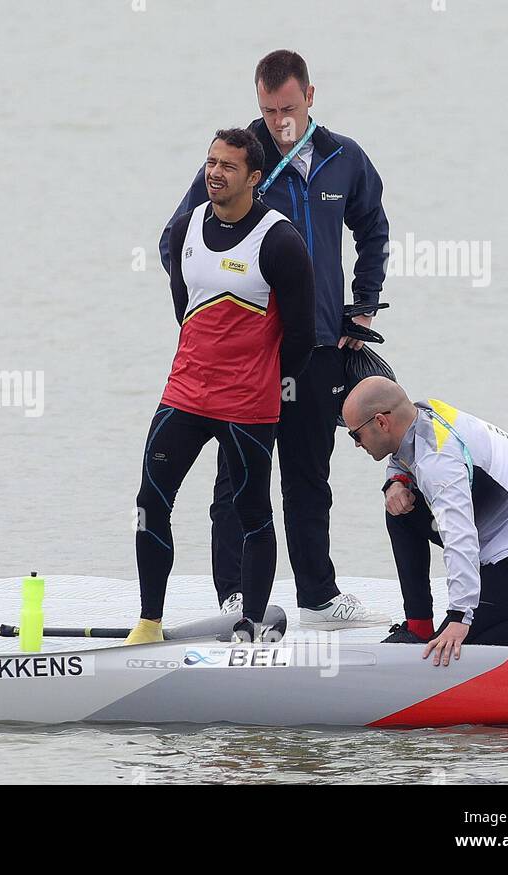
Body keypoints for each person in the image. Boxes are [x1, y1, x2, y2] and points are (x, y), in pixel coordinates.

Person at [159, 50, 390, 630]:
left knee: (310, 475)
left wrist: (361, 310)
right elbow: (177, 239)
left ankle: (318, 594)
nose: (279, 122)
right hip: (251, 358)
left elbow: (374, 229)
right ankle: (235, 595)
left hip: (318, 347)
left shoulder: (344, 159)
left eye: (288, 108)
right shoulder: (243, 163)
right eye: (267, 109)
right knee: (238, 478)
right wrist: (199, 319)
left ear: (311, 96)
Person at [126, 127, 314, 645]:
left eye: (228, 166)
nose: (215, 173)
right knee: (150, 501)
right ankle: (149, 622)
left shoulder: (279, 240)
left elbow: (300, 337)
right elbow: (183, 308)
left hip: (248, 406)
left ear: (254, 177)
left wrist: (266, 382)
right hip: (184, 395)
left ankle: (251, 626)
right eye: (211, 162)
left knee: (251, 511)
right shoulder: (186, 228)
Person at [343, 377, 508, 665]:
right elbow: (403, 458)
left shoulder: (439, 464)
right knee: (399, 506)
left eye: (356, 435)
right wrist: (395, 480)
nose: (357, 444)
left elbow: (460, 537)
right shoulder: (422, 414)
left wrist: (459, 616)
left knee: (449, 657)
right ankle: (418, 627)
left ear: (381, 422)